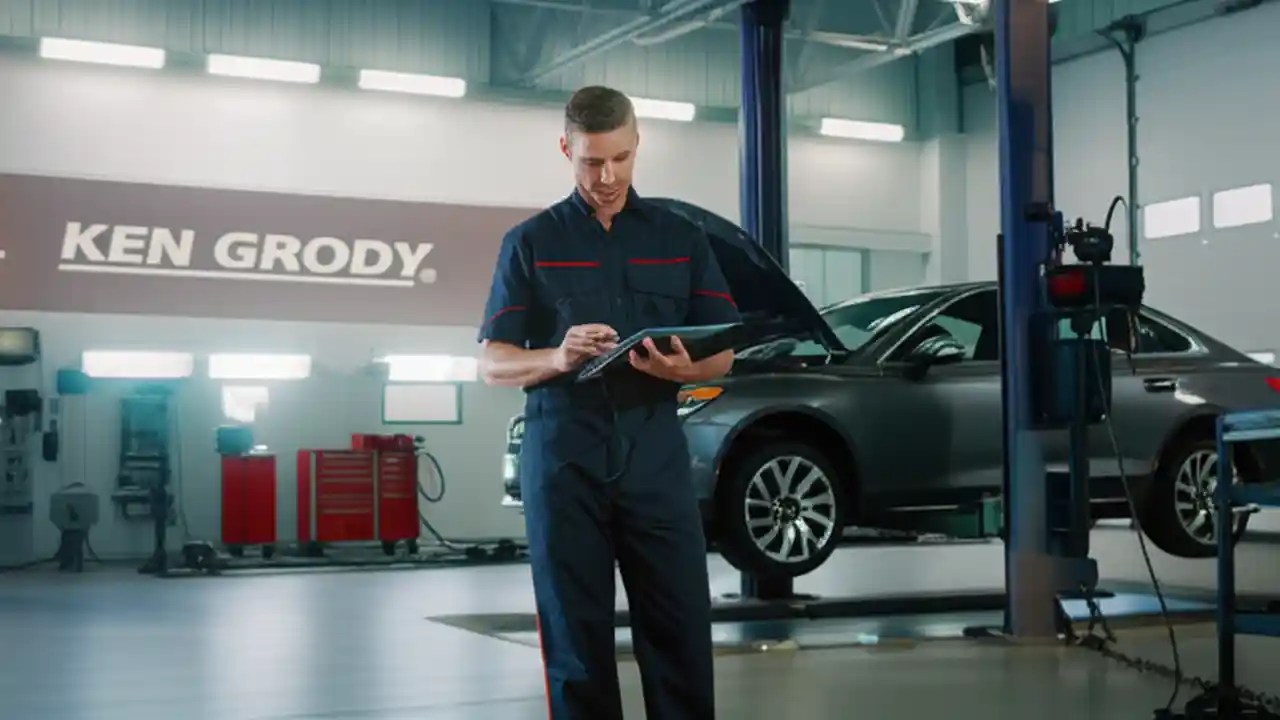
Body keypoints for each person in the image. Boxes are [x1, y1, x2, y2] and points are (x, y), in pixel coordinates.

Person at [477, 85, 740, 719]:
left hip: (654, 451)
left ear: (636, 143)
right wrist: (557, 357)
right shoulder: (530, 242)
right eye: (592, 161)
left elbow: (724, 354)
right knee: (576, 643)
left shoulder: (681, 237)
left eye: (620, 158)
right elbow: (492, 362)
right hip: (564, 456)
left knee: (679, 628)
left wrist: (686, 367)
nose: (607, 176)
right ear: (566, 149)